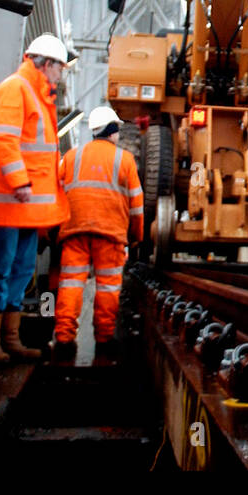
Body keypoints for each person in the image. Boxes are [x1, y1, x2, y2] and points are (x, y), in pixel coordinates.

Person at [0, 33, 70, 364]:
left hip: (28, 210)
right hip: (10, 203)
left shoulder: (38, 95)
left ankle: (10, 339)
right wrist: (19, 181)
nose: (61, 74)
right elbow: (1, 137)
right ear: (46, 64)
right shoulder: (16, 89)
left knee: (19, 271)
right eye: (60, 67)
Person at [53, 106, 143, 364]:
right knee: (107, 288)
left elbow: (56, 194)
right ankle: (104, 339)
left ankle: (63, 339)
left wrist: (51, 231)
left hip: (74, 231)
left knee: (70, 284)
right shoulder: (124, 160)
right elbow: (136, 204)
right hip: (110, 234)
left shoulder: (71, 157)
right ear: (113, 132)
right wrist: (136, 236)